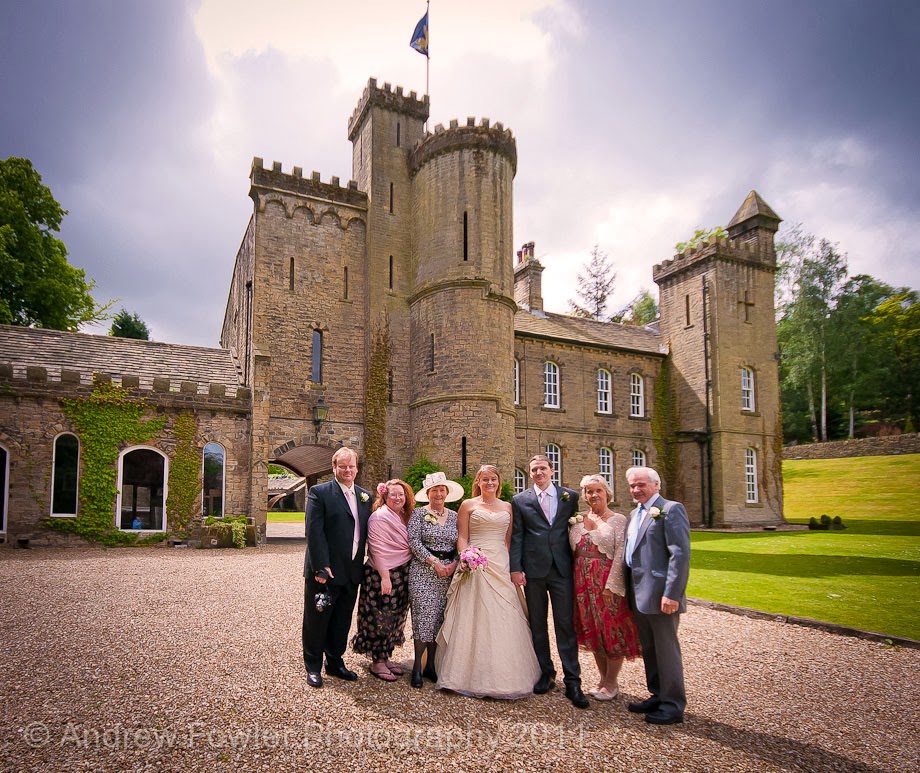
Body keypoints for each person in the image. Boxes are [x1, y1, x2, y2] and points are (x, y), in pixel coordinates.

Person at [435, 465, 540, 699]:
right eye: (485, 479)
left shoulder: (508, 507)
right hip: (476, 563)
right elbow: (462, 537)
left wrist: (514, 568)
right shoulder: (468, 505)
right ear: (478, 482)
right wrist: (466, 557)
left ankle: (506, 676)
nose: (489, 483)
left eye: (493, 479)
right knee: (474, 615)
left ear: (498, 482)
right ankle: (464, 674)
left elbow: (509, 541)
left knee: (503, 615)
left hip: (500, 565)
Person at [511, 454, 589, 708]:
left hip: (561, 569)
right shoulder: (520, 500)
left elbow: (575, 530)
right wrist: (516, 568)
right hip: (533, 570)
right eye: (534, 470)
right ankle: (546, 673)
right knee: (537, 624)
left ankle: (573, 680)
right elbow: (518, 536)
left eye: (542, 468)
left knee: (565, 625)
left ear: (551, 470)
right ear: (530, 473)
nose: (538, 473)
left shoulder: (570, 497)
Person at [623, 466, 691, 725]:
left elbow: (680, 555)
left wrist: (672, 594)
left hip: (662, 595)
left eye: (641, 485)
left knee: (666, 649)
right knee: (650, 648)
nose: (636, 490)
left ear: (656, 485)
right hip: (638, 592)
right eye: (632, 486)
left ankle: (673, 704)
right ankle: (657, 694)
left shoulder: (671, 510)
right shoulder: (634, 513)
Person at [301, 446, 372, 689]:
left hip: (352, 572)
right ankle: (313, 666)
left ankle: (335, 662)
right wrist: (321, 566)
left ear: (357, 468)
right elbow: (314, 531)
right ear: (334, 468)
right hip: (326, 573)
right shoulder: (319, 493)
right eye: (343, 466)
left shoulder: (365, 496)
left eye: (351, 466)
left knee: (342, 620)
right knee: (317, 620)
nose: (348, 470)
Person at [569, 474, 641, 701]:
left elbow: (621, 554)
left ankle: (611, 683)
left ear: (607, 493)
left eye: (598, 491)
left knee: (612, 629)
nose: (594, 495)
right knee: (592, 630)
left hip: (606, 582)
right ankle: (602, 679)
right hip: (581, 582)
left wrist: (612, 586)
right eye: (589, 491)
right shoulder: (578, 519)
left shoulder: (618, 520)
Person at [351, 479, 415, 682]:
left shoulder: (404, 516)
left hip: (402, 571)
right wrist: (385, 577)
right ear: (385, 496)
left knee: (396, 616)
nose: (398, 498)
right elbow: (377, 549)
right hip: (382, 573)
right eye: (393, 494)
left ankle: (385, 656)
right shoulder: (378, 517)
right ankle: (377, 661)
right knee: (381, 616)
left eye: (401, 494)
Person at [407, 471, 462, 688]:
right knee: (423, 618)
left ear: (447, 493)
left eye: (442, 490)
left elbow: (462, 542)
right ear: (427, 493)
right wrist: (434, 563)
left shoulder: (456, 516)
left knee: (440, 618)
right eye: (434, 491)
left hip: (447, 572)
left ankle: (432, 665)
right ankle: (417, 668)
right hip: (423, 571)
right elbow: (414, 541)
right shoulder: (419, 514)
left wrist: (454, 564)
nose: (438, 494)